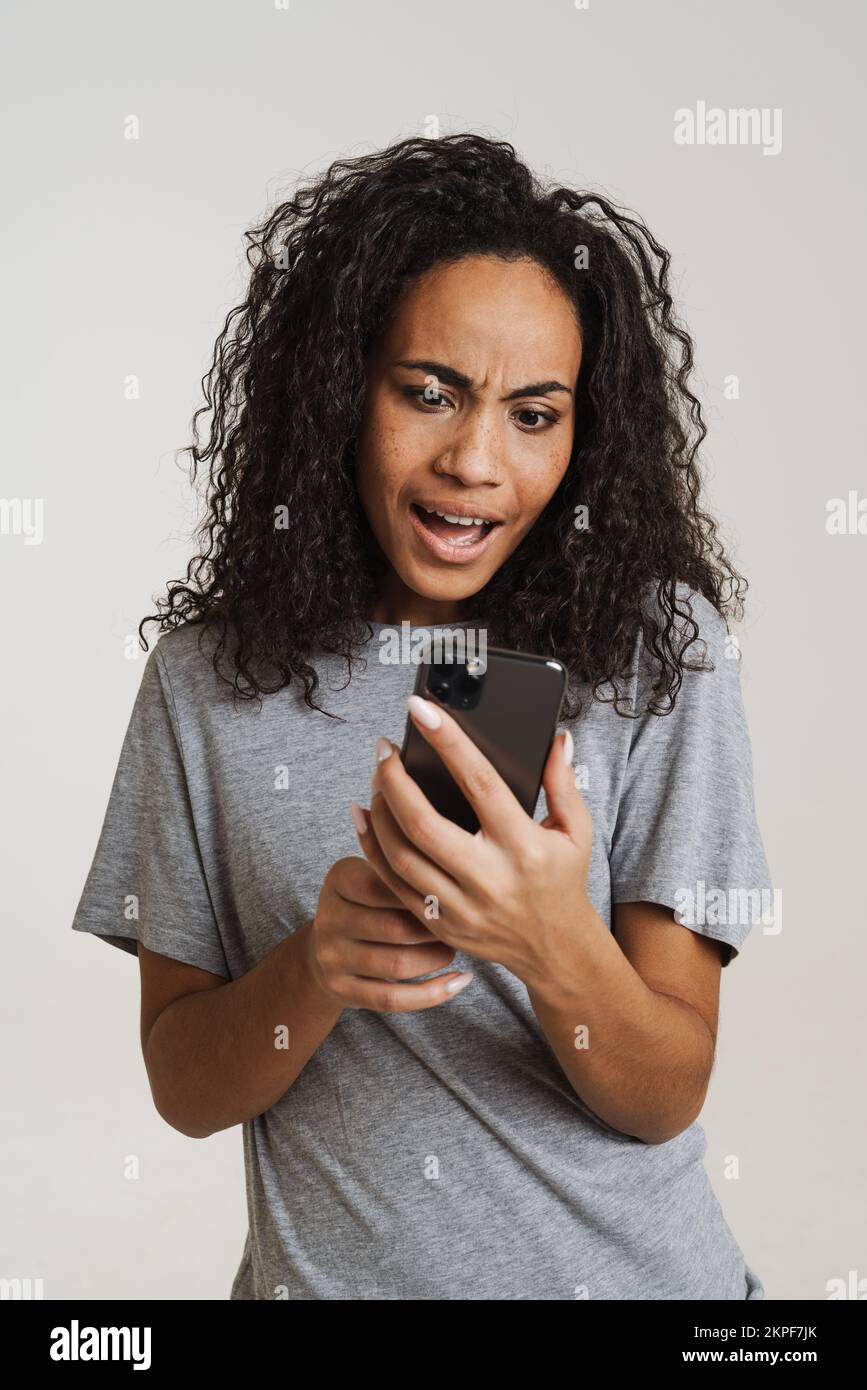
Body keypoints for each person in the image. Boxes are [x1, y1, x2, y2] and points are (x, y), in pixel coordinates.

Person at [72, 132, 773, 1300]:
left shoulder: (658, 653)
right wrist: (318, 967)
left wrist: (552, 941)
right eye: (431, 393)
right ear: (344, 389)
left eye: (535, 414)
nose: (475, 462)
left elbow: (663, 1094)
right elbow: (185, 1088)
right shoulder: (207, 681)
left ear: (584, 435)